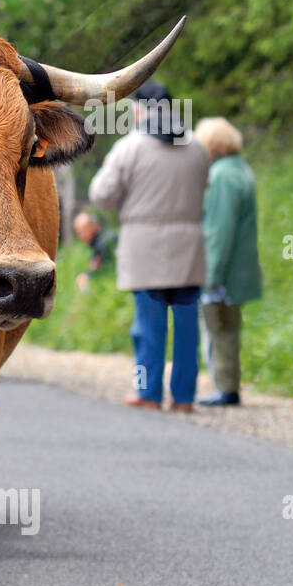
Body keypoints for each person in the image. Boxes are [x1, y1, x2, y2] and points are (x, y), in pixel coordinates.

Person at [88, 80, 208, 411]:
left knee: (147, 328)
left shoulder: (130, 147)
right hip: (190, 248)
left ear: (139, 109)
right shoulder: (197, 145)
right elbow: (205, 188)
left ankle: (147, 391)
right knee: (186, 329)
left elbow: (101, 195)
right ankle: (184, 397)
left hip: (145, 248)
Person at [193, 117, 262, 406]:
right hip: (240, 267)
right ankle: (228, 385)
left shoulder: (221, 175)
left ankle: (225, 388)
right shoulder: (241, 169)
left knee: (218, 328)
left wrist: (211, 274)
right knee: (230, 328)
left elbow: (219, 231)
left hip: (223, 271)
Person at [72, 211, 116, 292]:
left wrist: (86, 276)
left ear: (94, 226)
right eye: (78, 233)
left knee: (82, 280)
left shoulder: (104, 243)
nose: (80, 236)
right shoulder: (99, 240)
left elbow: (103, 272)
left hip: (114, 286)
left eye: (83, 231)